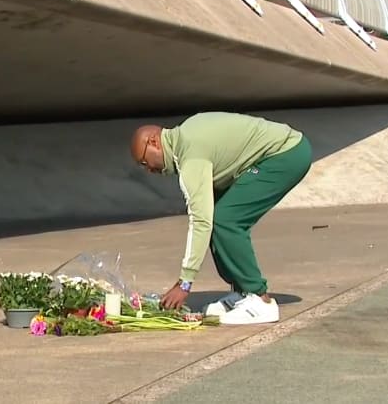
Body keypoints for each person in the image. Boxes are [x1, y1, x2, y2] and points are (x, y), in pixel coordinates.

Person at [129, 112, 312, 325]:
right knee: (219, 216)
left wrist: (185, 283)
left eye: (144, 162)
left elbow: (201, 222)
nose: (149, 170)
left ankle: (260, 300)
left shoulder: (190, 156)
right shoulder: (186, 136)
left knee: (226, 220)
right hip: (279, 152)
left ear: (153, 142)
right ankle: (242, 293)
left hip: (286, 153)